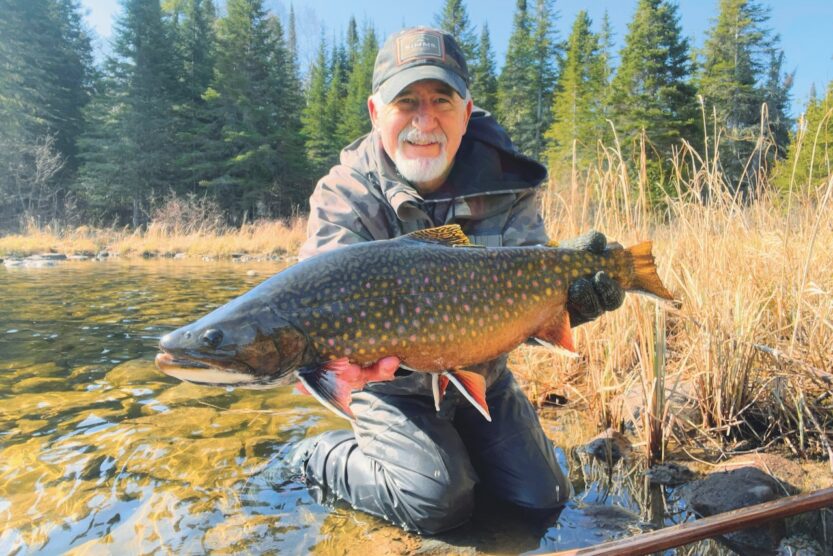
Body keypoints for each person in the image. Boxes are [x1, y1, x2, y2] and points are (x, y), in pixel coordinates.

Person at [289, 27, 624, 535]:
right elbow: (318, 296)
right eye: (407, 102)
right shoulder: (345, 194)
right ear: (377, 112)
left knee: (541, 501)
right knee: (437, 502)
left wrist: (573, 301)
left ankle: (458, 450)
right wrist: (333, 363)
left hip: (482, 372)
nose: (425, 121)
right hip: (391, 389)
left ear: (466, 113)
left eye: (441, 101)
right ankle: (319, 455)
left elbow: (530, 296)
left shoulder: (509, 185)